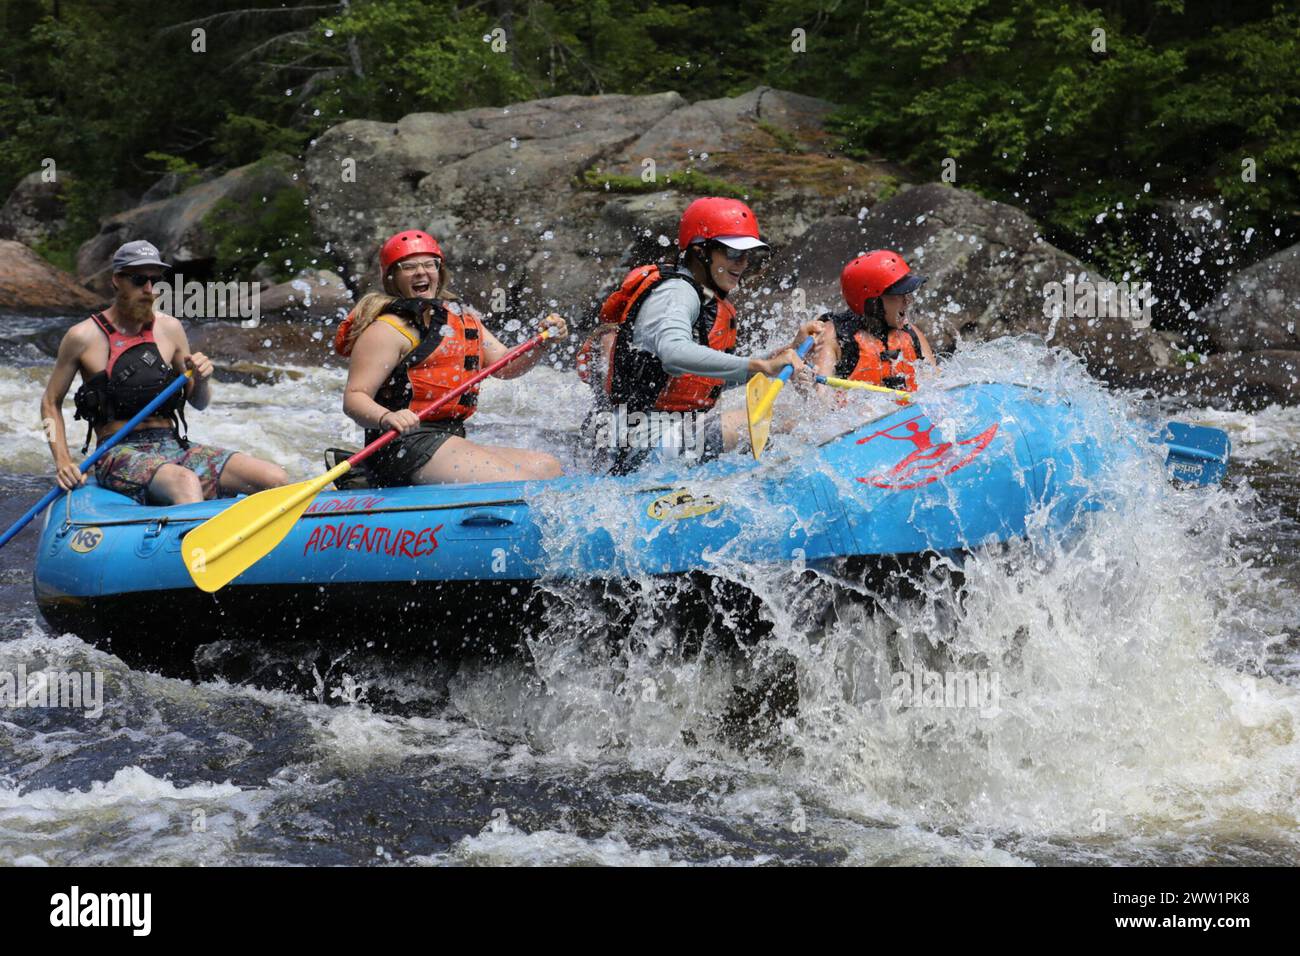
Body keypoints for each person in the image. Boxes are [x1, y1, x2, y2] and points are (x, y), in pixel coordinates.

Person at [40, 240, 289, 504]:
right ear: (116, 280)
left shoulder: (170, 328)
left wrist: (202, 379)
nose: (149, 289)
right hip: (117, 452)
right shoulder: (82, 336)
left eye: (154, 280)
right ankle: (193, 542)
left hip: (173, 445)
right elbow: (50, 403)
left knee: (275, 478)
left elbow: (199, 402)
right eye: (138, 280)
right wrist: (63, 461)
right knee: (185, 481)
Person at [577, 197, 815, 473]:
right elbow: (674, 352)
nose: (743, 263)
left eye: (748, 255)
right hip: (637, 444)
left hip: (653, 438)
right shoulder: (676, 292)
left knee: (772, 419)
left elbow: (705, 378)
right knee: (783, 418)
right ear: (701, 251)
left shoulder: (702, 297)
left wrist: (778, 357)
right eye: (734, 254)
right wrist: (760, 366)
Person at [337, 230, 569, 485]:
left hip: (448, 437)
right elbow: (354, 397)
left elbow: (505, 365)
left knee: (548, 467)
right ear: (393, 277)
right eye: (409, 267)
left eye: (428, 265)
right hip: (401, 444)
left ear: (439, 272)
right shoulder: (386, 330)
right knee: (516, 483)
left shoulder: (459, 317)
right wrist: (387, 417)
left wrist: (540, 344)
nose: (421, 272)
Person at [809, 250, 938, 393]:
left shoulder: (911, 334)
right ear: (873, 303)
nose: (909, 300)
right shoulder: (834, 337)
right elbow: (820, 401)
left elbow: (936, 389)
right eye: (899, 294)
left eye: (907, 293)